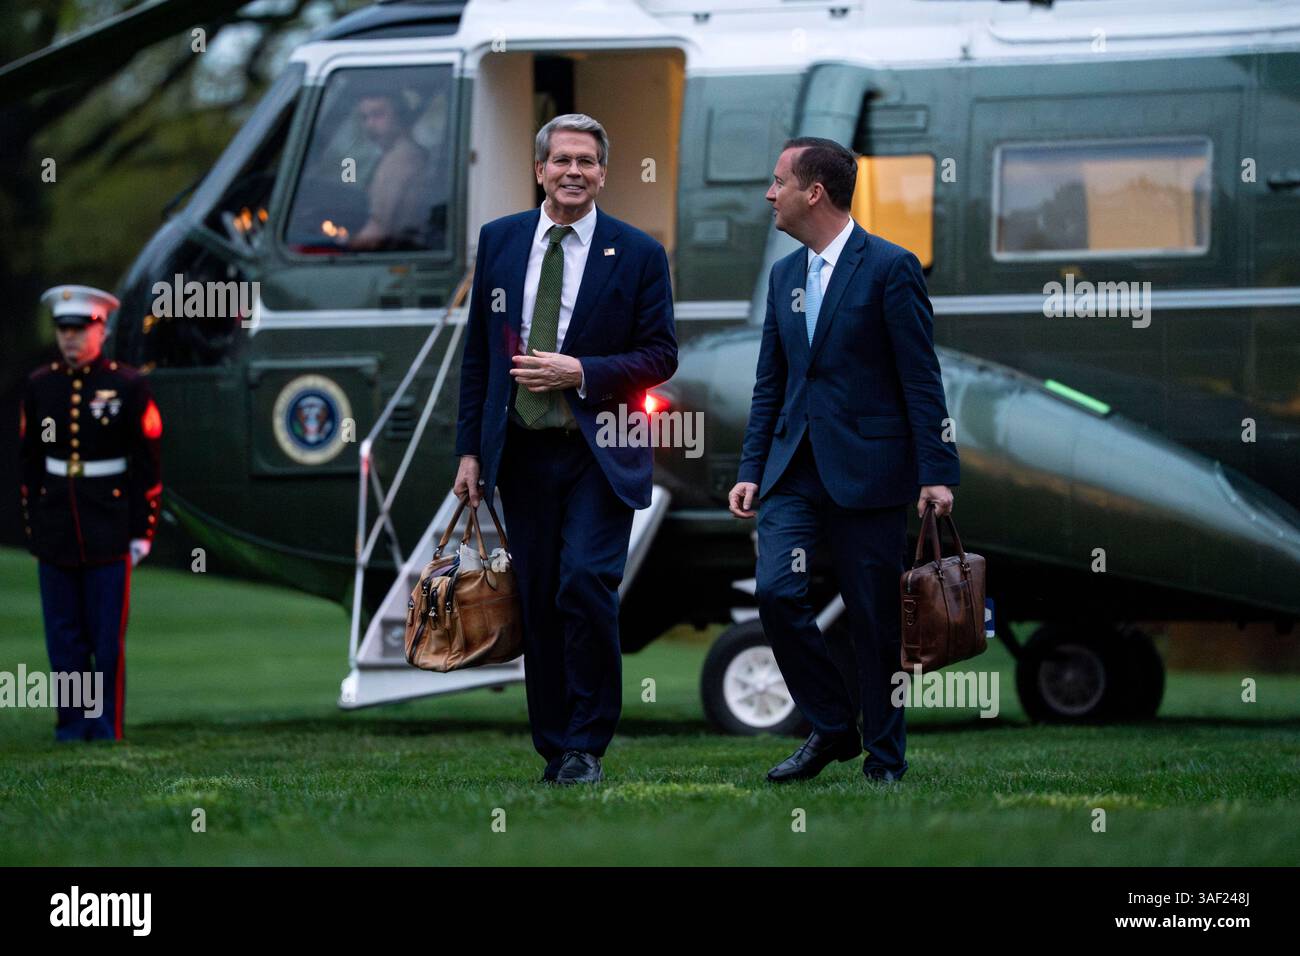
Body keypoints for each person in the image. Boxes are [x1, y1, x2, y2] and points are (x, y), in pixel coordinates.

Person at [453, 114, 677, 785]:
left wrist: (580, 371)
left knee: (585, 582)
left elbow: (661, 355)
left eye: (586, 161)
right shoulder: (500, 241)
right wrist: (469, 452)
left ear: (603, 173)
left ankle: (587, 743)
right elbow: (478, 356)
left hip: (599, 452)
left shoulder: (637, 253)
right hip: (520, 453)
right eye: (562, 160)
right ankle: (555, 747)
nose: (573, 171)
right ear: (539, 169)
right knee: (540, 596)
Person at [728, 138, 960, 784]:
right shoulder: (783, 277)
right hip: (791, 471)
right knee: (776, 592)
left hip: (869, 471)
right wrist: (750, 467)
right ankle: (832, 726)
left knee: (874, 619)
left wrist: (937, 472)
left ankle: (885, 758)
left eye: (778, 182)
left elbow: (921, 378)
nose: (769, 195)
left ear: (814, 193)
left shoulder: (891, 267)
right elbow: (770, 382)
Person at [19, 285, 163, 741]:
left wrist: (142, 530)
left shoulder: (127, 385)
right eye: (64, 329)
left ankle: (104, 724)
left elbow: (147, 464)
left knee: (104, 635)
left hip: (109, 523)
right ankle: (71, 723)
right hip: (58, 522)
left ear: (100, 330)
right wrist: (34, 522)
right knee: (64, 635)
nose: (71, 338)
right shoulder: (41, 385)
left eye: (80, 329)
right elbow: (30, 460)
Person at [349, 91, 431, 250]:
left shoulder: (402, 157)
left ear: (399, 116)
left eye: (378, 115)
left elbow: (377, 231)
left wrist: (343, 247)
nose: (369, 125)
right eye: (364, 118)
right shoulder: (394, 154)